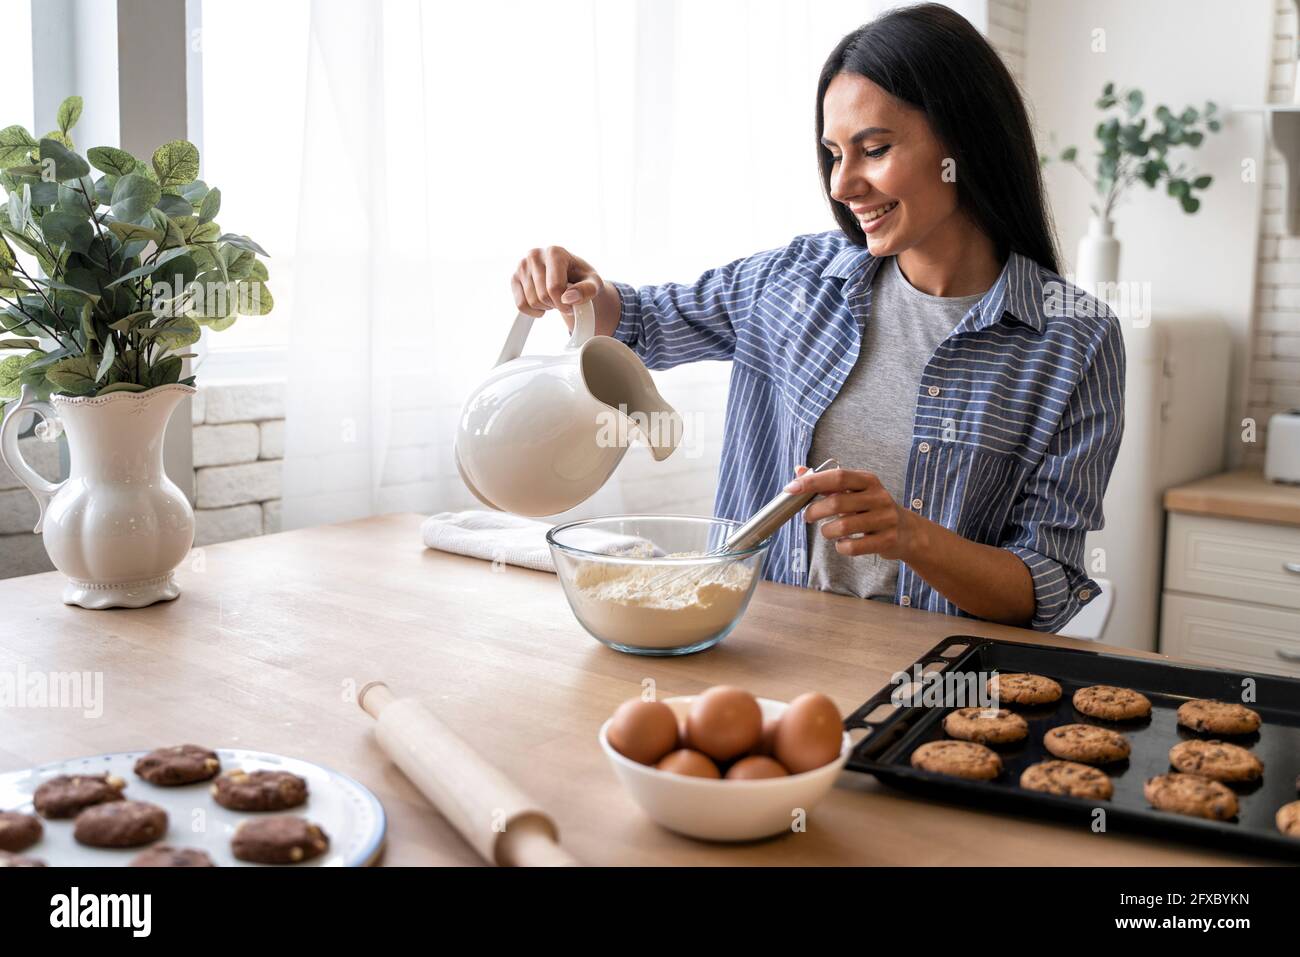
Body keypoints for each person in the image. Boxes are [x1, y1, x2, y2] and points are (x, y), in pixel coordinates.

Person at [509, 4, 1125, 633]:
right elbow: (641, 320)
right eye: (833, 154)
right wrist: (577, 288)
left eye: (874, 150)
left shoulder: (1075, 339)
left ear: (963, 144)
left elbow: (1044, 586)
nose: (842, 184)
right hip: (765, 656)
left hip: (933, 685)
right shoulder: (795, 281)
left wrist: (910, 535)